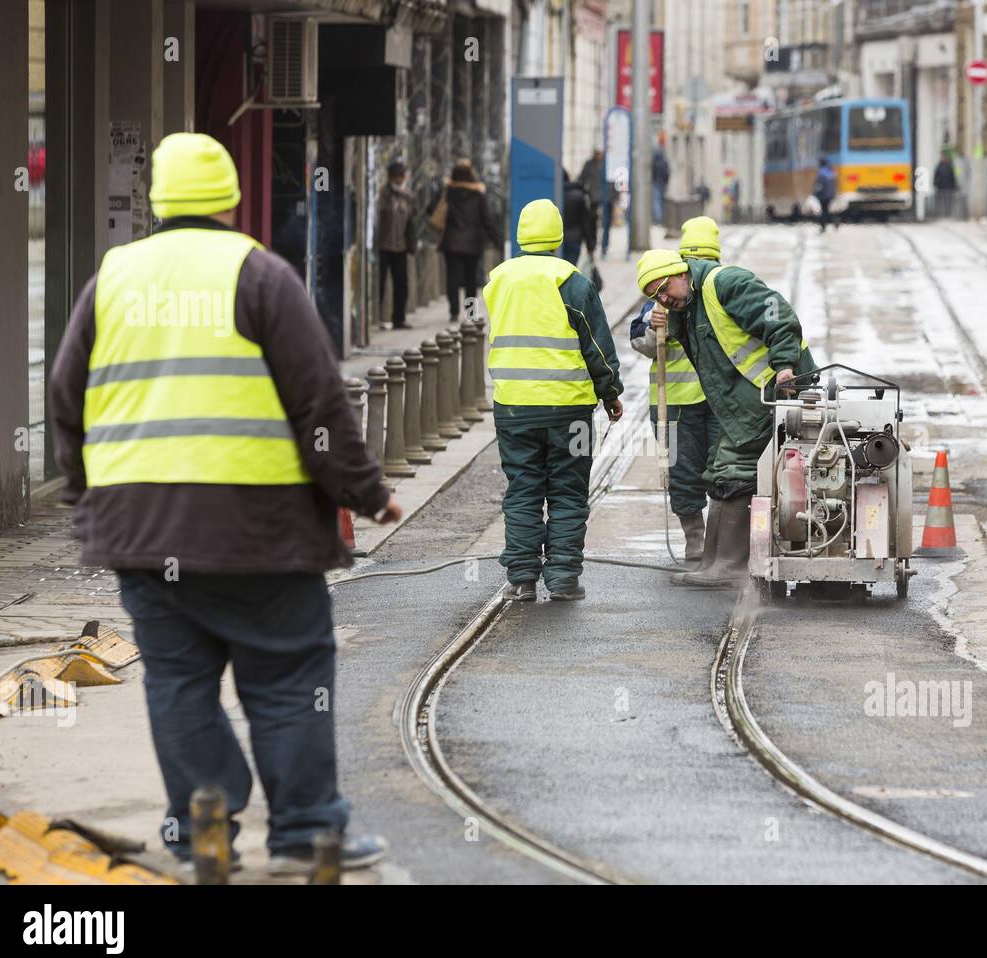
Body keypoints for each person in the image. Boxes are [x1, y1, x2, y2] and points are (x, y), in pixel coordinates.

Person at [48, 132, 401, 876]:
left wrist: (87, 499)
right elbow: (320, 404)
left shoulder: (112, 277)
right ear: (232, 199)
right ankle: (304, 829)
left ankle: (199, 818)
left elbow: (64, 397)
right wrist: (366, 494)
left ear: (157, 202)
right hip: (259, 532)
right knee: (288, 678)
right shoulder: (261, 275)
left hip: (140, 532)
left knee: (179, 680)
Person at [634, 247, 815, 589]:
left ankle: (730, 565)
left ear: (681, 273)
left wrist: (785, 367)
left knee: (735, 465)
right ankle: (713, 561)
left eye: (663, 290)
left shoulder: (726, 283)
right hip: (743, 400)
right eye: (654, 296)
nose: (663, 300)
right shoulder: (688, 306)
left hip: (772, 391)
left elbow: (780, 316)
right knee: (719, 467)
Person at [484, 199, 624, 603]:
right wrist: (610, 393)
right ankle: (563, 579)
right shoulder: (573, 282)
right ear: (560, 236)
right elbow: (596, 346)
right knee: (568, 490)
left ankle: (522, 579)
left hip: (513, 408)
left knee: (523, 488)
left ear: (520, 234)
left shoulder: (498, 280)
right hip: (571, 412)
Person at [629, 216, 723, 563]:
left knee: (725, 470)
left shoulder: (722, 291)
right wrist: (657, 328)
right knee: (682, 471)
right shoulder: (660, 300)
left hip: (719, 402)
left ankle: (721, 539)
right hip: (675, 405)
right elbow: (639, 342)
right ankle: (694, 539)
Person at [433, 159, 500, 322]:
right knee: (471, 280)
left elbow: (431, 209)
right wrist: (496, 240)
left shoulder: (448, 192)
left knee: (452, 279)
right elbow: (487, 220)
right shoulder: (478, 194)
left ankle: (454, 312)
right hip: (472, 243)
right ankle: (471, 313)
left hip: (452, 242)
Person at [374, 160, 413, 329]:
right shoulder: (383, 195)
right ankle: (377, 318)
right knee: (380, 283)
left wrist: (411, 244)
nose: (399, 179)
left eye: (401, 176)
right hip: (383, 246)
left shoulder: (407, 196)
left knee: (401, 284)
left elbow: (412, 220)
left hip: (401, 246)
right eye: (396, 176)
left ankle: (399, 318)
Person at [560, 168, 598, 268]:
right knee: (569, 273)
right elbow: (586, 223)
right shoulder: (579, 196)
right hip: (574, 241)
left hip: (556, 242)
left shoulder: (554, 196)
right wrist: (590, 246)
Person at [812, 156, 837, 232]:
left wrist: (814, 193)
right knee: (826, 210)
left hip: (823, 195)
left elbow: (819, 185)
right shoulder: (831, 172)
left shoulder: (821, 173)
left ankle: (824, 226)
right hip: (830, 195)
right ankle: (833, 222)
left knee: (823, 211)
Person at [933, 149, 959, 219]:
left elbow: (953, 177)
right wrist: (936, 184)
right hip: (941, 188)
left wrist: (954, 186)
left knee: (948, 202)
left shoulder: (950, 166)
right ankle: (941, 214)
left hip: (949, 188)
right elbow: (936, 176)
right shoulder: (939, 166)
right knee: (941, 202)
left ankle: (948, 214)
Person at [652, 145, 671, 224]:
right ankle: (662, 219)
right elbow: (667, 174)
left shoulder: (655, 163)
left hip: (656, 184)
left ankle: (658, 219)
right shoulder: (664, 162)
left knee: (656, 202)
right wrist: (666, 182)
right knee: (662, 202)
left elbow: (653, 173)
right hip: (663, 184)